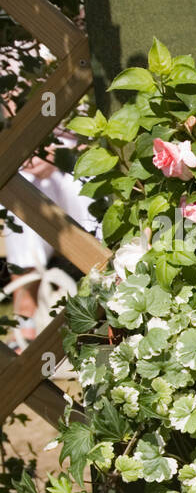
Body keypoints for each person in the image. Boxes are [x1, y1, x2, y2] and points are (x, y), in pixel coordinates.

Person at [2, 133, 97, 350]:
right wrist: (25, 156)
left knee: (80, 184)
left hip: (78, 157)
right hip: (25, 163)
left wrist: (62, 154)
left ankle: (101, 282)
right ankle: (25, 315)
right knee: (20, 191)